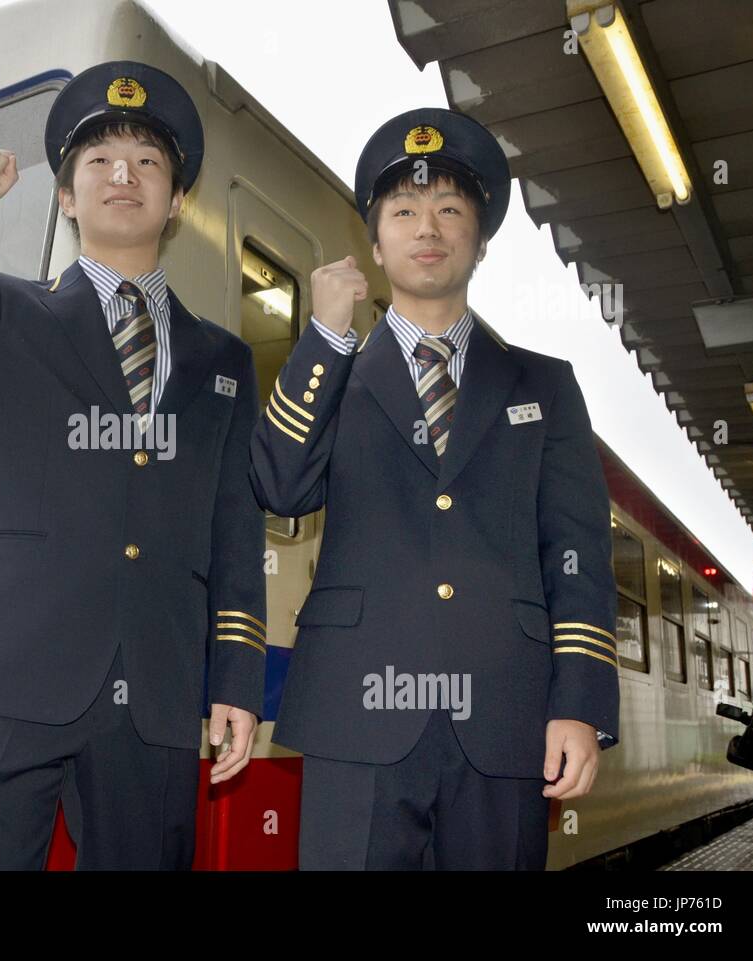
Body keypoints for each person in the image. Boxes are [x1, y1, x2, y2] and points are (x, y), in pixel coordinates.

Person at [0, 61, 265, 870]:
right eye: (99, 160)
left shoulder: (224, 361)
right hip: (7, 680)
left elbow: (235, 529)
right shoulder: (4, 311)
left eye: (149, 162)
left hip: (155, 695)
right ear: (67, 196)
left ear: (177, 202)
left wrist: (236, 678)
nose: (124, 175)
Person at [248, 107, 620, 870]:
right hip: (358, 711)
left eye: (451, 209)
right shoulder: (334, 373)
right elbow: (279, 486)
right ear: (375, 243)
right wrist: (322, 338)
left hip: (504, 718)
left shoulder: (545, 386)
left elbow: (577, 554)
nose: (429, 227)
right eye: (405, 211)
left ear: (479, 242)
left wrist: (579, 702)